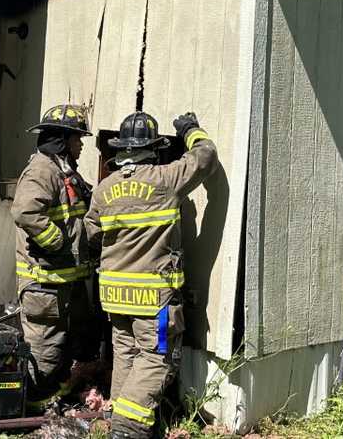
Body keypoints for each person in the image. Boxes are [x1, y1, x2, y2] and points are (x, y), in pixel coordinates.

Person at [84, 111, 217, 439]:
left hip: (115, 297)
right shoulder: (165, 179)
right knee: (158, 357)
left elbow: (91, 235)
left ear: (121, 149)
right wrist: (189, 129)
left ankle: (117, 418)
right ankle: (128, 429)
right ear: (153, 149)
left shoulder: (103, 190)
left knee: (126, 353)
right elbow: (205, 157)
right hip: (153, 302)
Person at [11, 104, 99, 412]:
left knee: (67, 347)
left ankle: (50, 404)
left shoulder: (62, 169)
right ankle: (29, 407)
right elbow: (24, 211)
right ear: (62, 140)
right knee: (45, 353)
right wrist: (59, 242)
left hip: (64, 282)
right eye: (77, 138)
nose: (82, 144)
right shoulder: (42, 170)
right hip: (44, 286)